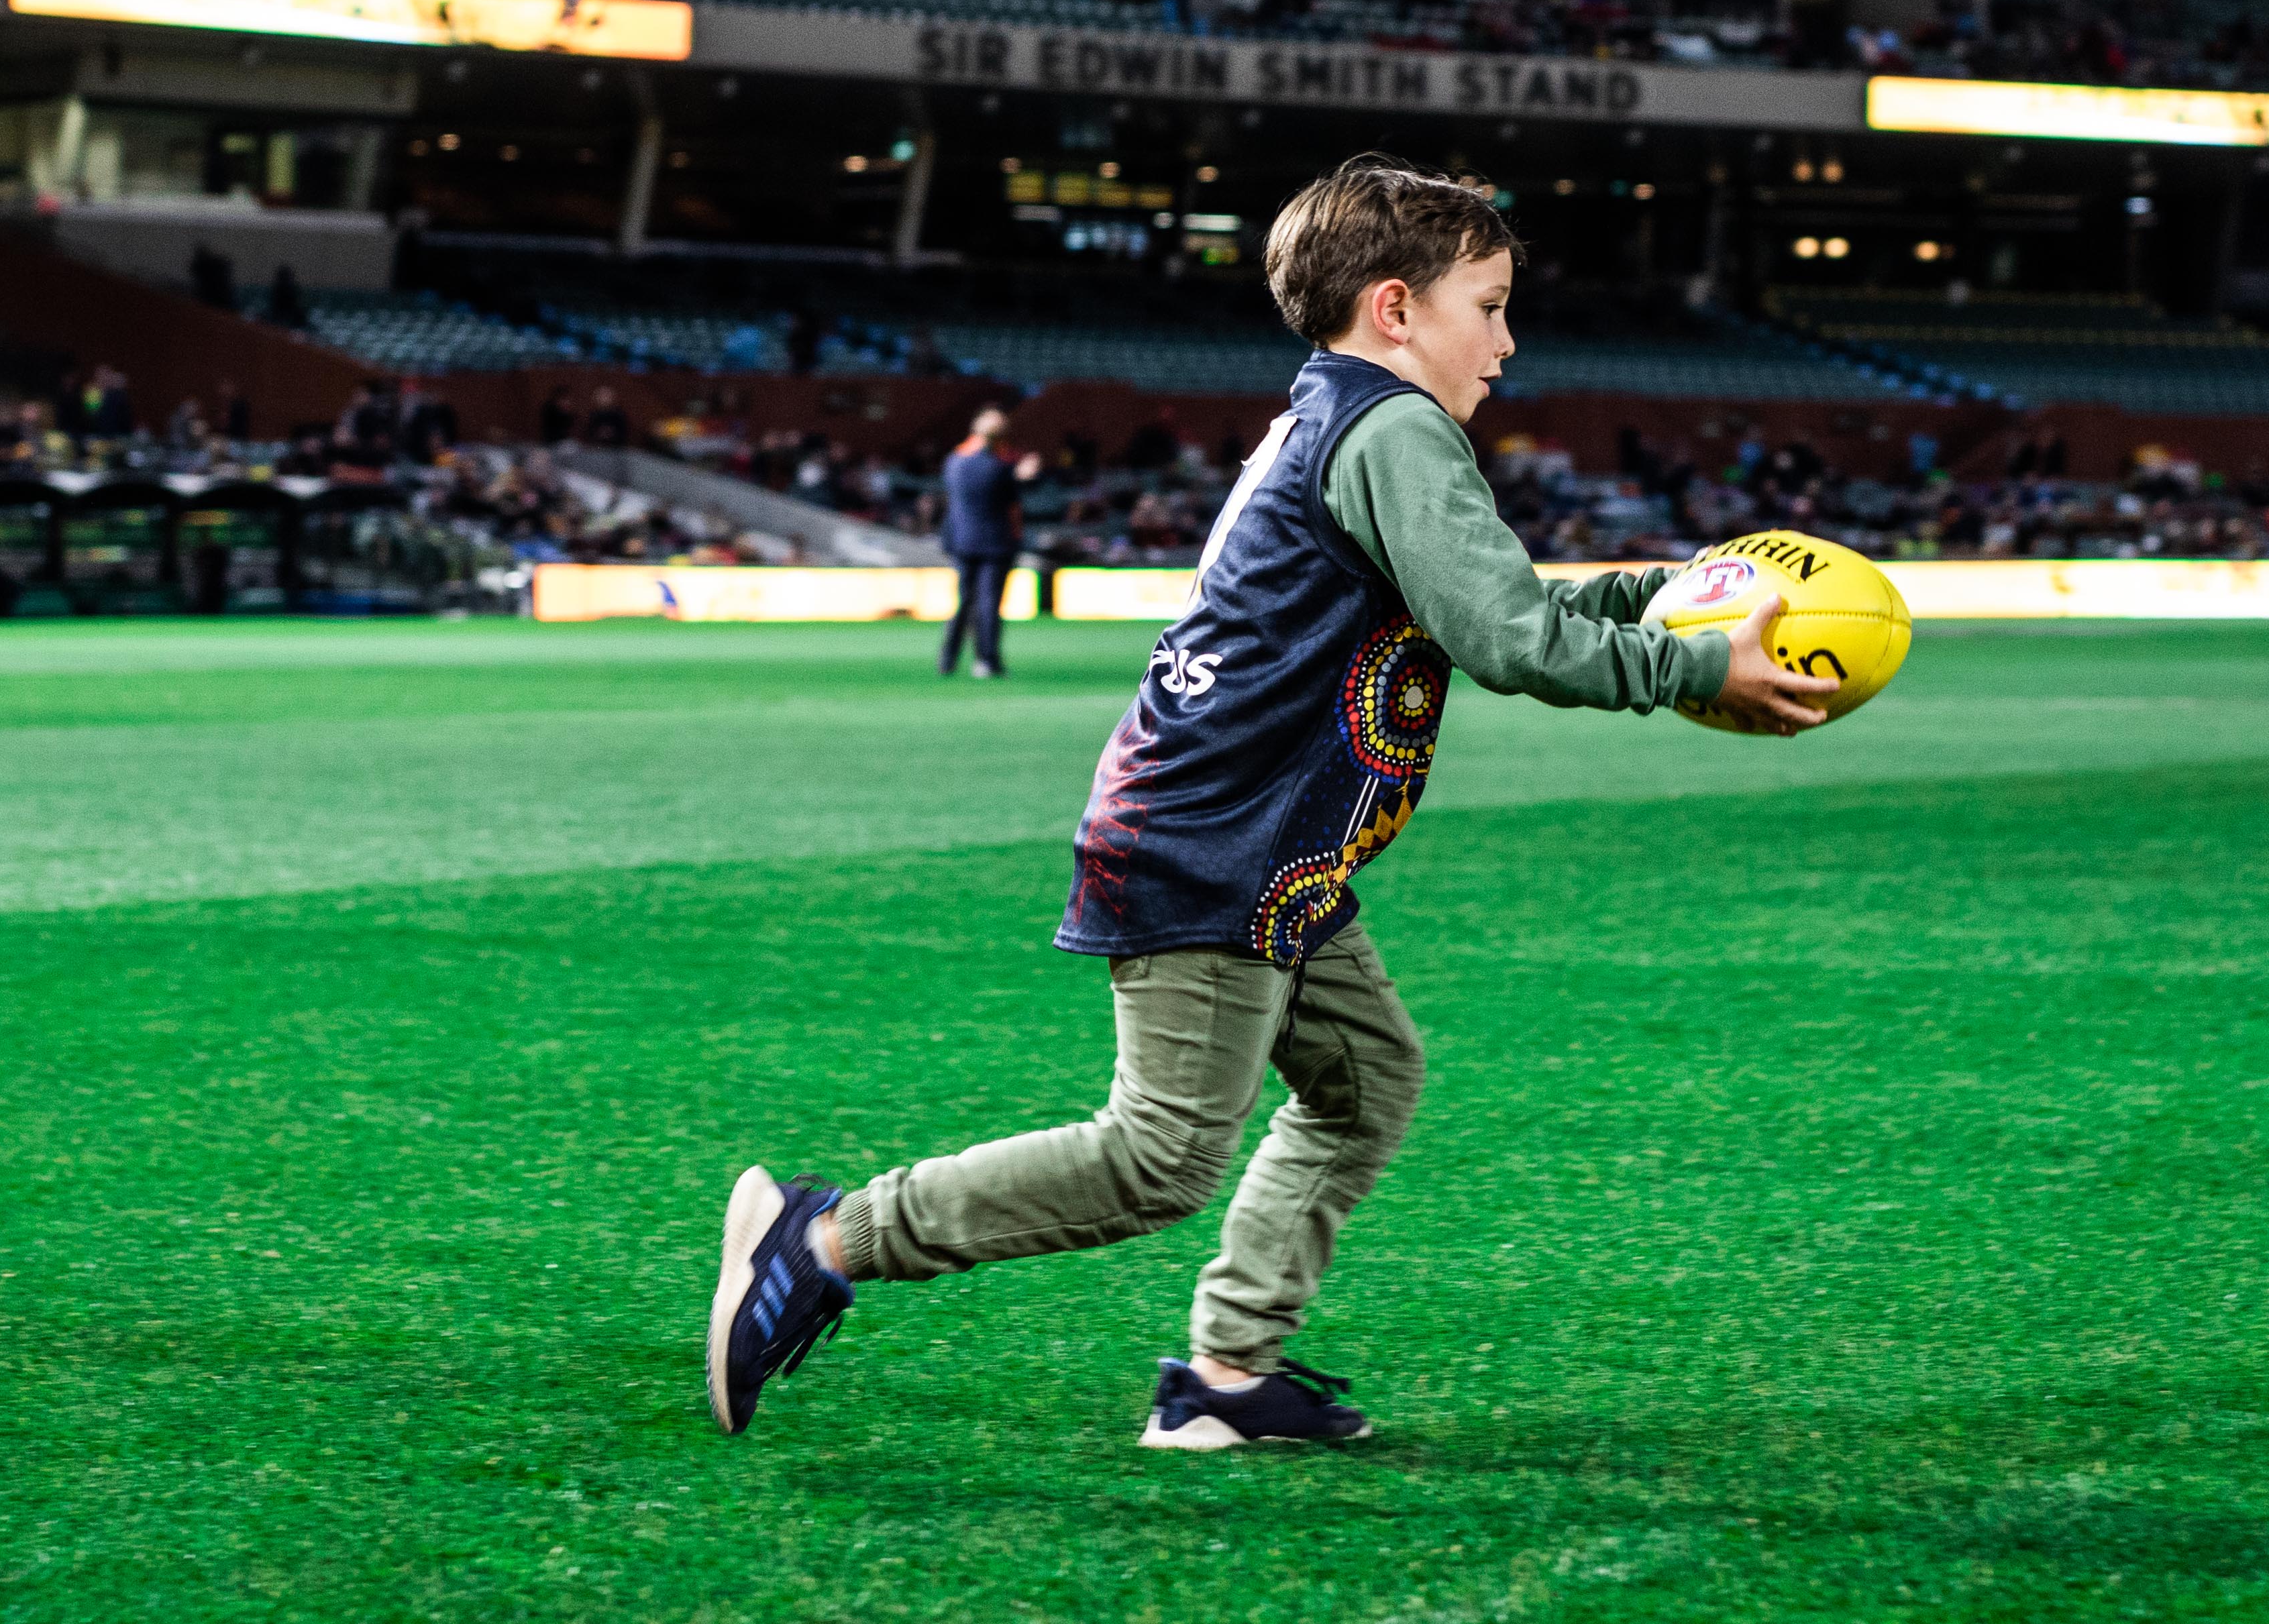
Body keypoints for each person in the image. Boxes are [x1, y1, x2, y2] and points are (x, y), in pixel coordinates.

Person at [709, 156, 1832, 1446]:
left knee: (1366, 1082)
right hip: (1215, 840)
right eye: (1491, 303)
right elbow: (1512, 642)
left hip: (1259, 842)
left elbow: (1499, 607)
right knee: (1158, 1155)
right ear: (1397, 308)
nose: (1508, 341)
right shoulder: (1397, 429)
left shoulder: (1336, 414)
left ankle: (1226, 1379)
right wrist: (1696, 660)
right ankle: (828, 1237)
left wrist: (1662, 591)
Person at [937, 406, 1037, 679]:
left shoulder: (955, 460)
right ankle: (987, 660)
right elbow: (1010, 501)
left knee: (963, 601)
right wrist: (1021, 477)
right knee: (989, 603)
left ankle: (948, 659)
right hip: (995, 542)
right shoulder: (1000, 467)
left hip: (962, 540)